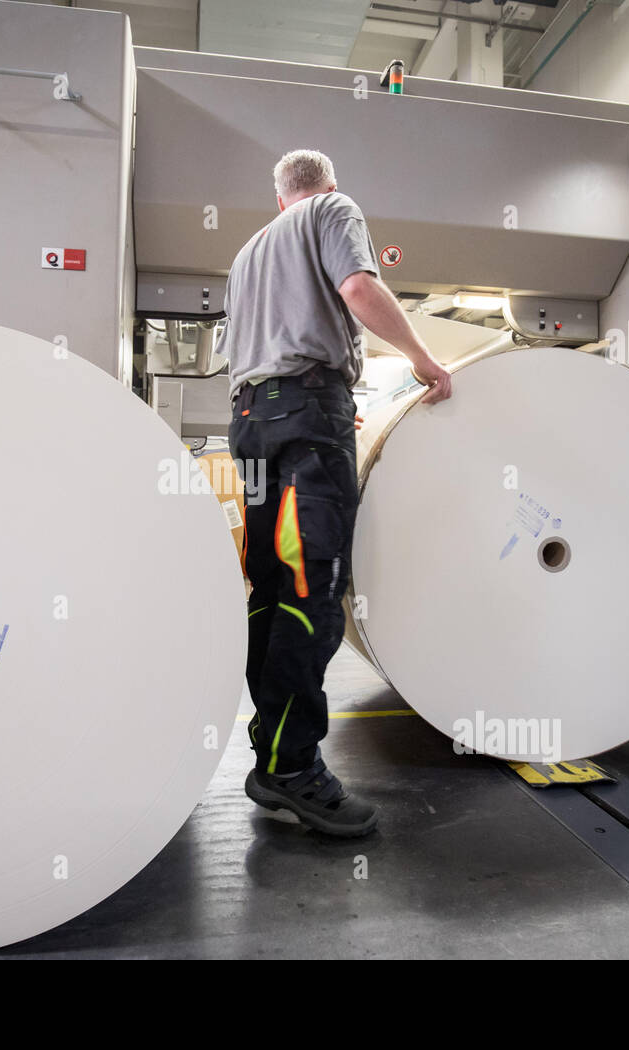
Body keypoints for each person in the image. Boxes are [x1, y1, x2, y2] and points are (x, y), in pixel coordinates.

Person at [218, 148, 452, 837]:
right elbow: (357, 289)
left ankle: (272, 749)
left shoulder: (247, 253)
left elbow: (254, 349)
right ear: (325, 187)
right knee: (311, 589)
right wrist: (421, 359)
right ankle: (291, 769)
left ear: (278, 196)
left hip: (251, 422)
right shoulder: (332, 210)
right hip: (305, 424)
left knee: (269, 588)